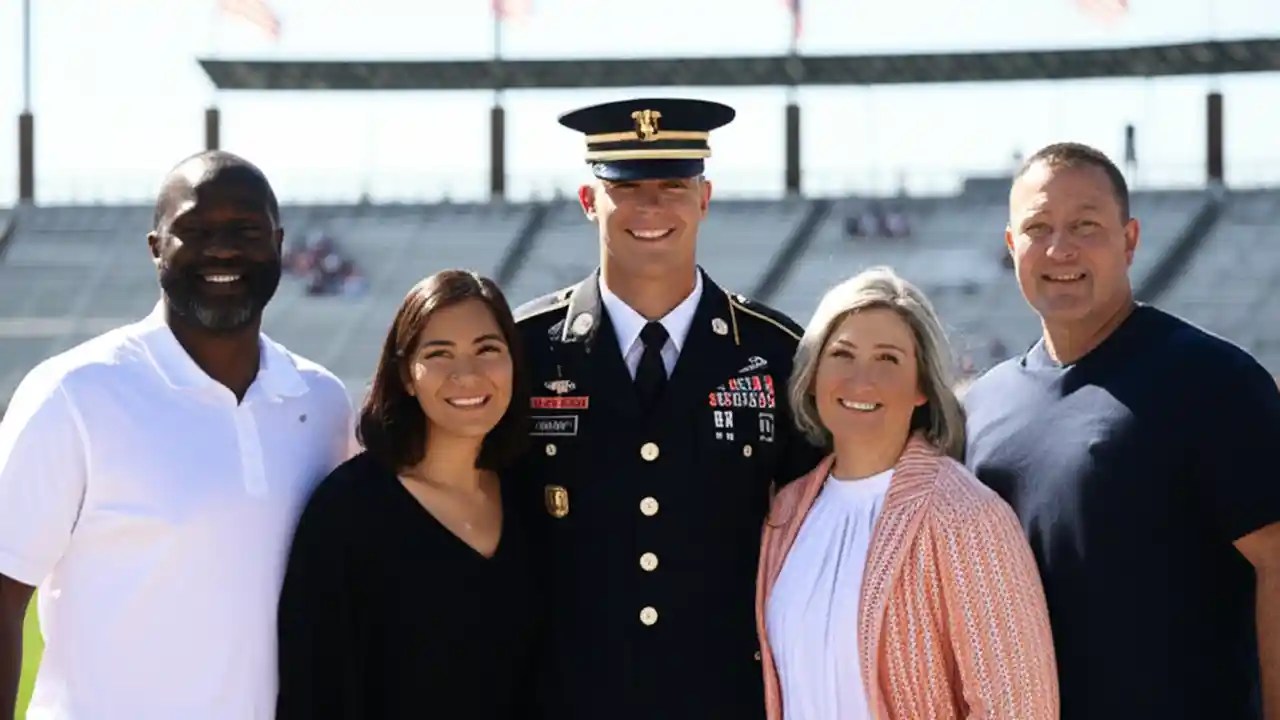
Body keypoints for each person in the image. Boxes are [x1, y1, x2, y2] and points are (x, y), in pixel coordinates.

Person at [0, 150, 355, 719]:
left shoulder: (322, 402)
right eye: (195, 230)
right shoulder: (74, 393)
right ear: (155, 246)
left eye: (246, 230)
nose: (223, 248)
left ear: (279, 243)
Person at [511, 97, 824, 720]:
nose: (651, 207)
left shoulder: (777, 354)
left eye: (673, 186)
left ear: (704, 198)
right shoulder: (524, 350)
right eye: (626, 188)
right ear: (587, 200)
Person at [964, 142, 1280, 720]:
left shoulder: (1213, 380)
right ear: (1012, 248)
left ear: (1130, 240)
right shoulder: (983, 407)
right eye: (1039, 227)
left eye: (1086, 225)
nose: (1060, 248)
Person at [756, 267, 1058, 720]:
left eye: (888, 359)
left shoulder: (965, 516)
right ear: (813, 374)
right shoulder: (786, 512)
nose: (862, 380)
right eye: (842, 354)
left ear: (922, 386)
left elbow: (1019, 707)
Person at [274, 270, 539, 719]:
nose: (467, 374)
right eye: (439, 354)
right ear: (407, 375)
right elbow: (316, 690)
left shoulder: (532, 498)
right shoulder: (349, 512)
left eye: (487, 350)